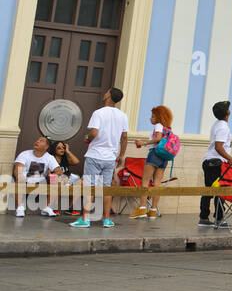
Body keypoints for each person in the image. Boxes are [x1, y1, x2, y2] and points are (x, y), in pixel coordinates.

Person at [72, 87, 129, 228]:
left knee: (89, 187)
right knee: (107, 189)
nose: (104, 94)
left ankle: (85, 219)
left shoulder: (98, 113)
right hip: (110, 158)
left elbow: (94, 132)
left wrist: (87, 137)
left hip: (95, 155)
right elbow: (124, 137)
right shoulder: (123, 116)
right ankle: (107, 219)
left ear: (109, 95)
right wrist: (121, 155)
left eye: (107, 92)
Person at [128, 105, 176, 219]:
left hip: (154, 154)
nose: (151, 118)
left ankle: (142, 209)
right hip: (164, 157)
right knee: (157, 184)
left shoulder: (159, 125)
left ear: (159, 117)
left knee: (144, 182)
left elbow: (158, 138)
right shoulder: (168, 128)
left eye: (153, 116)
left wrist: (143, 143)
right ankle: (153, 210)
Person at [200, 101, 232, 228]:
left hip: (210, 161)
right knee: (220, 191)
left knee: (209, 190)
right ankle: (219, 219)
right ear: (228, 113)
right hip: (217, 163)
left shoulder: (217, 124)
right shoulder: (223, 127)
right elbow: (218, 147)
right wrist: (231, 159)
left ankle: (204, 218)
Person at [12, 135, 63, 217]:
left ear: (46, 147)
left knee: (58, 179)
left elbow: (58, 171)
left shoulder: (49, 157)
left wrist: (55, 175)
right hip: (24, 179)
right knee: (20, 176)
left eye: (41, 141)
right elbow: (17, 169)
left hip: (41, 181)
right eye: (38, 140)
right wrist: (20, 175)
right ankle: (20, 208)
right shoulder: (25, 154)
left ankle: (47, 207)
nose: (37, 141)